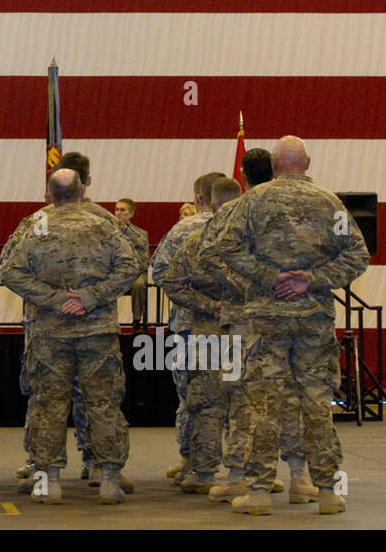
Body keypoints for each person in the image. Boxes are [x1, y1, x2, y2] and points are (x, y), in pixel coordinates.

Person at [205, 136, 370, 515]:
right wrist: (309, 280)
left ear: (276, 165)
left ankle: (260, 492)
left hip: (268, 316)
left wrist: (268, 276)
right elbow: (358, 255)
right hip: (313, 317)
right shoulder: (332, 204)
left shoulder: (251, 201)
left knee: (265, 402)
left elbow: (223, 246)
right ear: (307, 163)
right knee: (316, 401)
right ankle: (325, 489)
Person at [1, 169, 140, 504]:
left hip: (50, 332)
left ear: (49, 195)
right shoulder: (104, 224)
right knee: (103, 403)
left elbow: (10, 271)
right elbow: (130, 266)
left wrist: (54, 299)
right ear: (82, 192)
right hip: (98, 332)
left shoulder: (38, 224)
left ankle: (48, 482)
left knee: (48, 405)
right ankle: (108, 480)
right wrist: (90, 297)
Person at [157, 177, 243, 493]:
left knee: (202, 401)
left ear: (205, 199)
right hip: (249, 328)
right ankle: (249, 474)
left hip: (201, 326)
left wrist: (208, 305)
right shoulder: (256, 236)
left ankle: (198, 468)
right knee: (248, 402)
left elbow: (165, 276)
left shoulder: (192, 234)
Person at [115, 199, 151, 327]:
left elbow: (143, 261)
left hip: (135, 273)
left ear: (131, 214)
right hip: (115, 273)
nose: (118, 213)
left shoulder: (140, 234)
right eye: (117, 209)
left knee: (139, 284)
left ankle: (137, 321)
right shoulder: (107, 232)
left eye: (122, 210)